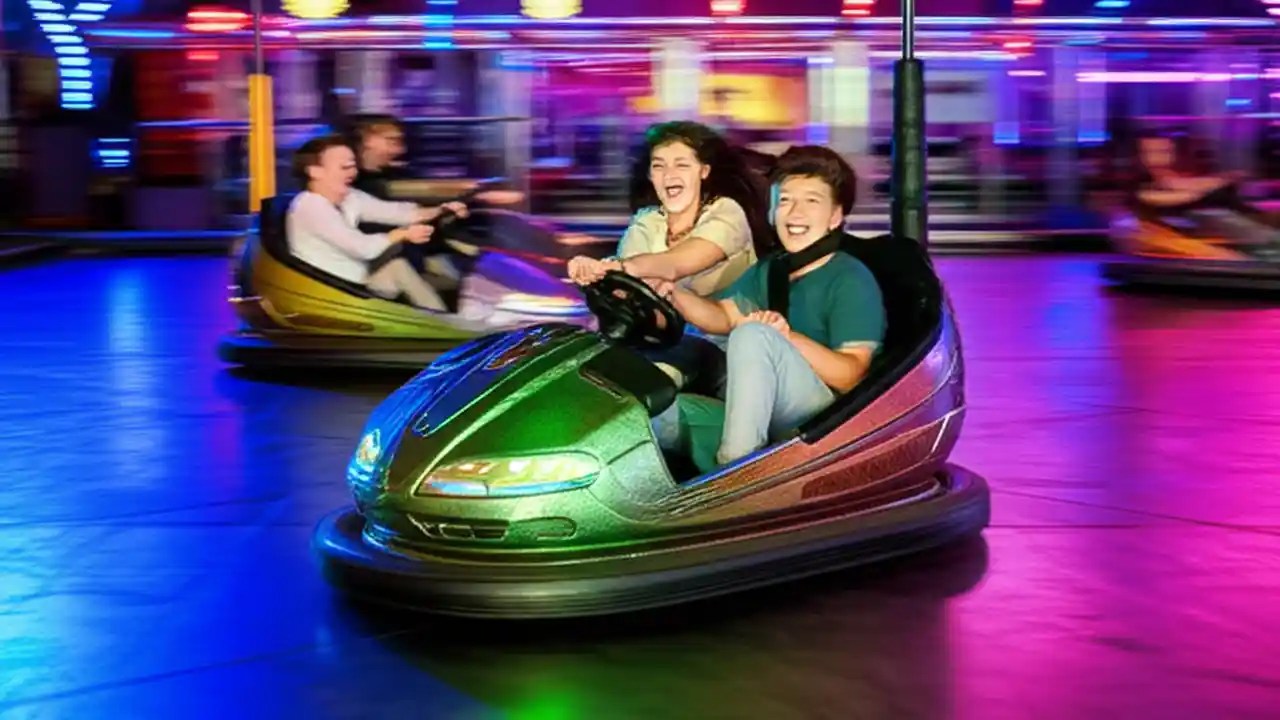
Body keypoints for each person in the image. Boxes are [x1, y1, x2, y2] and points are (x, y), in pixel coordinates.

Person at [649, 145, 887, 473]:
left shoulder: (850, 279)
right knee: (661, 409)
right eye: (786, 200)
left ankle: (736, 474)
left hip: (822, 418)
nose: (795, 212)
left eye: (811, 201)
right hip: (765, 404)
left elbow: (851, 375)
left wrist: (784, 335)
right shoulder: (771, 270)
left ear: (835, 216)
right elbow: (722, 316)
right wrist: (672, 293)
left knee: (752, 334)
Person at [567, 120, 774, 297]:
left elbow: (675, 264)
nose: (669, 175)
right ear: (650, 175)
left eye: (681, 165)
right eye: (659, 166)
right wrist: (593, 273)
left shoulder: (727, 212)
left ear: (703, 171)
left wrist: (619, 268)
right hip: (662, 336)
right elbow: (627, 288)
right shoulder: (647, 221)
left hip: (723, 338)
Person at [286, 134, 467, 311]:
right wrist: (402, 234)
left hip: (354, 280)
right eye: (344, 167)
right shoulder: (310, 206)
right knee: (400, 262)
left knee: (399, 267)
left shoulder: (350, 198)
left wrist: (442, 209)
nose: (352, 172)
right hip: (327, 293)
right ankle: (443, 324)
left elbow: (399, 212)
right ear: (315, 171)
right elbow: (363, 248)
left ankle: (446, 322)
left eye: (353, 166)